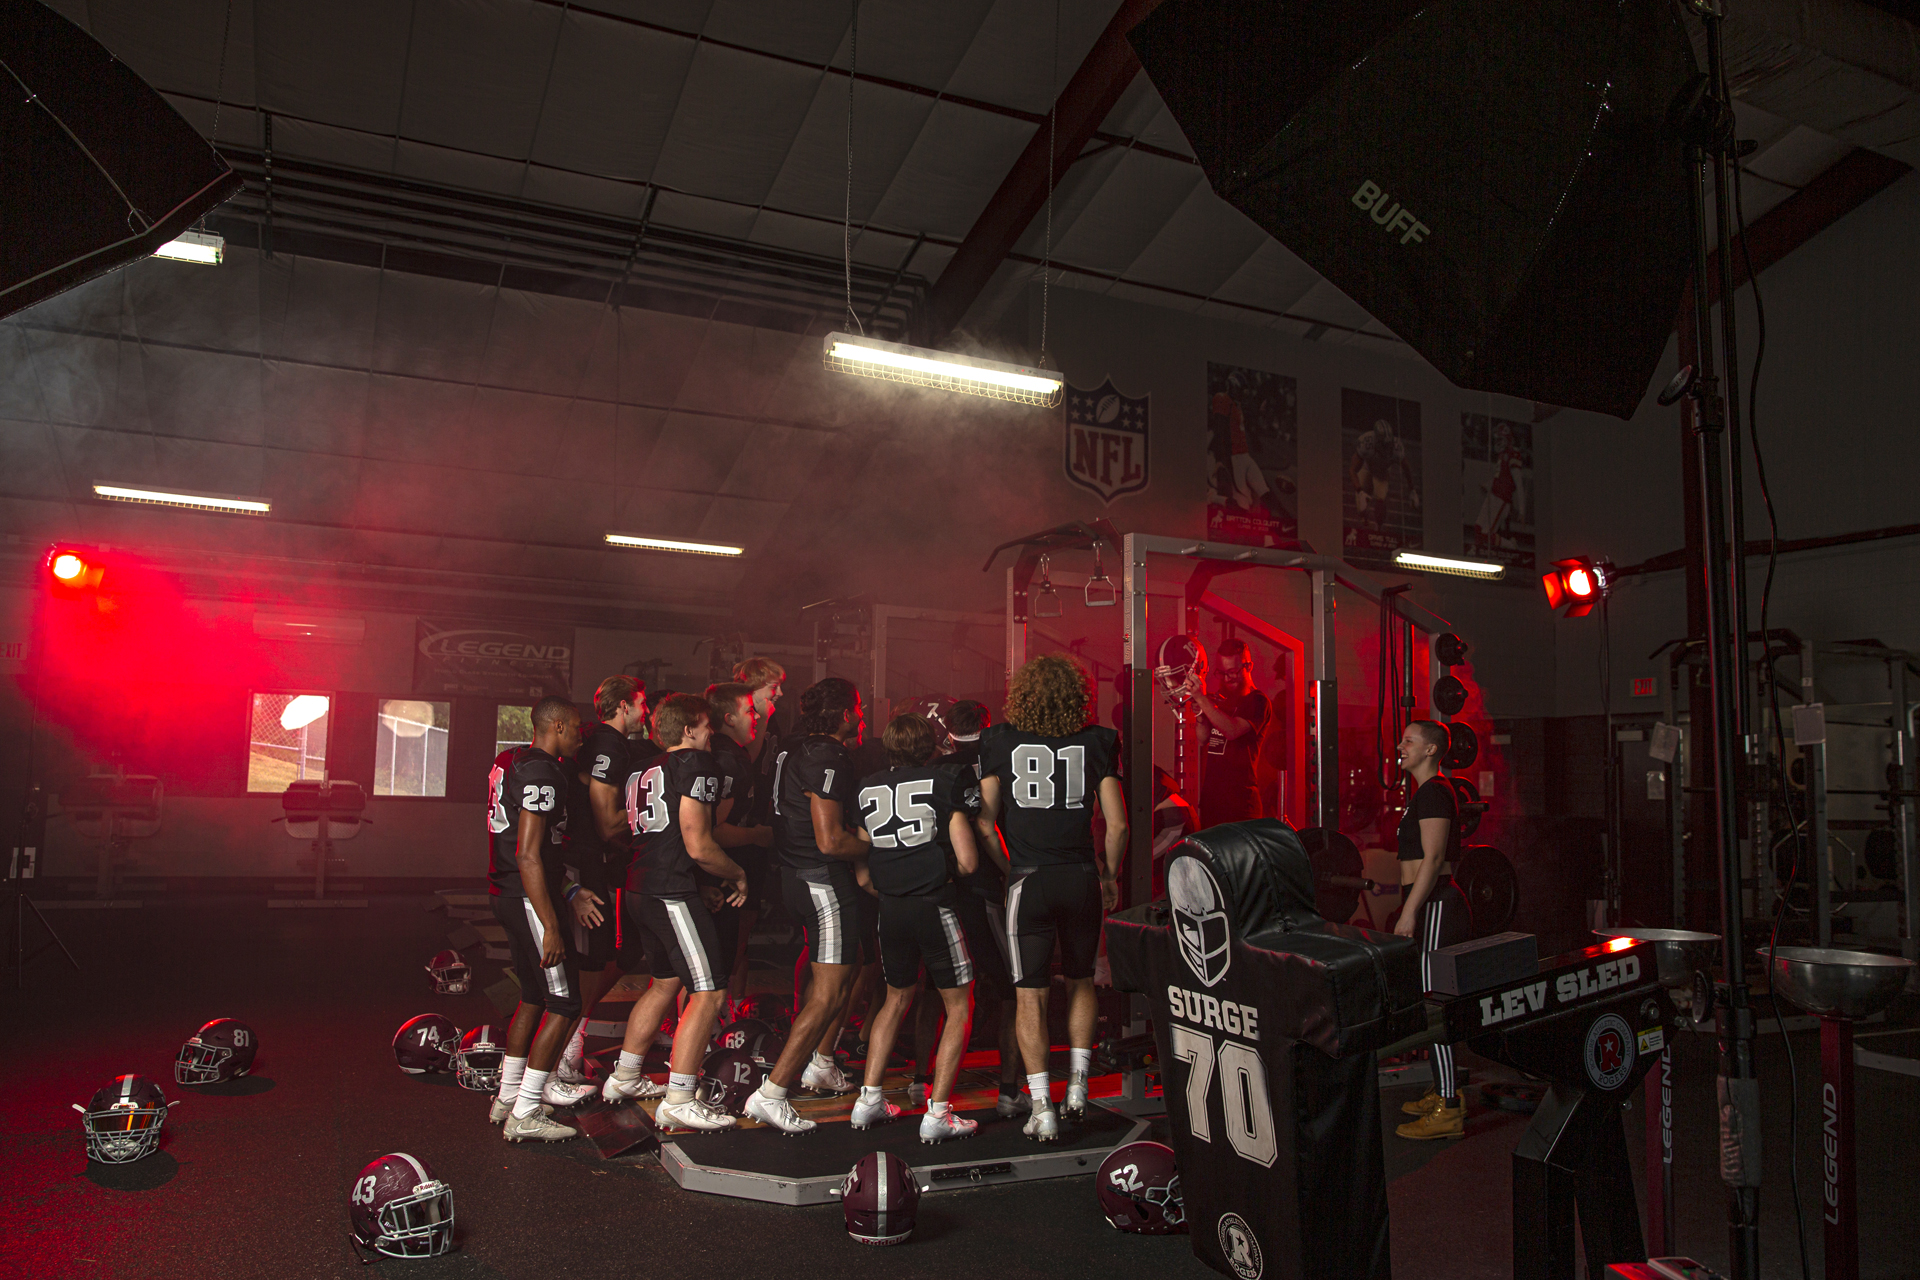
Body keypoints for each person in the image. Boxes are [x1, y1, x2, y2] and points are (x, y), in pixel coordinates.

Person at [977, 655, 1128, 1141]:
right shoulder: (1099, 741)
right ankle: (1080, 1087)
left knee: (1030, 996)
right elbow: (1118, 824)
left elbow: (984, 821)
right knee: (1081, 982)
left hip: (1029, 879)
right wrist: (1110, 874)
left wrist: (1009, 868)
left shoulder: (999, 741)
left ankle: (1042, 1105)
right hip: (1080, 874)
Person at [600, 695, 748, 1132]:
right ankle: (680, 1097)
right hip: (668, 891)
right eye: (705, 727)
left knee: (664, 982)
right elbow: (698, 843)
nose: (710, 736)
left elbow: (659, 834)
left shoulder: (642, 767)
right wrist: (737, 874)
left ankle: (625, 1076)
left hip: (639, 886)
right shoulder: (695, 766)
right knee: (709, 992)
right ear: (687, 730)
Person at [742, 677, 870, 1135]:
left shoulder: (791, 745)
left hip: (795, 877)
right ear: (842, 715)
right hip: (820, 880)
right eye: (856, 707)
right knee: (831, 992)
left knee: (840, 972)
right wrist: (878, 848)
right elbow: (830, 839)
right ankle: (772, 1092)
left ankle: (820, 1061)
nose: (861, 715)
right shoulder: (826, 754)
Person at [849, 711, 982, 1144]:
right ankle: (938, 1113)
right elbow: (967, 861)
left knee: (894, 999)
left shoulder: (867, 786)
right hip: (932, 903)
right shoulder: (943, 782)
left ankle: (868, 1099)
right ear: (929, 746)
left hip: (891, 906)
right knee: (959, 1006)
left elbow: (863, 871)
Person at [487, 697, 595, 1142]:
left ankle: (508, 1095)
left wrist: (567, 888)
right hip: (528, 895)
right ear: (556, 725)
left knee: (533, 995)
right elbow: (529, 852)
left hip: (506, 891)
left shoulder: (511, 759)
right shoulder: (543, 771)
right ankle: (527, 1109)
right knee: (565, 1002)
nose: (579, 736)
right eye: (574, 729)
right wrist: (552, 923)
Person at [552, 675, 650, 1087]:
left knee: (620, 952)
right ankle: (566, 1043)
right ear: (624, 706)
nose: (645, 712)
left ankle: (572, 1034)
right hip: (588, 862)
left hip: (599, 862)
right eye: (642, 704)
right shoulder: (608, 743)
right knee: (593, 958)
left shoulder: (603, 740)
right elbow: (607, 821)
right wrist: (651, 834)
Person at [1392, 719, 1471, 1140]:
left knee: (1433, 1003)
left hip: (1436, 901)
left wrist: (1409, 912)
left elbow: (1435, 857)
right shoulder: (1423, 795)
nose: (1399, 745)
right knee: (1427, 997)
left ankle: (1449, 1106)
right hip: (1428, 902)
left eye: (1409, 740)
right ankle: (1444, 1089)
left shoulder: (1436, 791)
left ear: (1430, 751)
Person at [703, 681, 772, 1017]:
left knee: (723, 955)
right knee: (713, 960)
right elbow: (713, 831)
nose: (756, 716)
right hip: (715, 873)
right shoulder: (728, 760)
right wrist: (756, 836)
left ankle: (719, 1019)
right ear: (729, 718)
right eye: (749, 710)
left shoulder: (731, 752)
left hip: (714, 872)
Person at [1186, 638, 1271, 827]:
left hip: (1241, 807)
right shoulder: (1221, 700)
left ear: (1249, 666)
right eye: (1222, 673)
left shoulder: (1258, 702)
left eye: (1232, 672)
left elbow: (1232, 730)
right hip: (1213, 804)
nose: (1226, 679)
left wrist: (1201, 698)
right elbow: (1203, 739)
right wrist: (1200, 715)